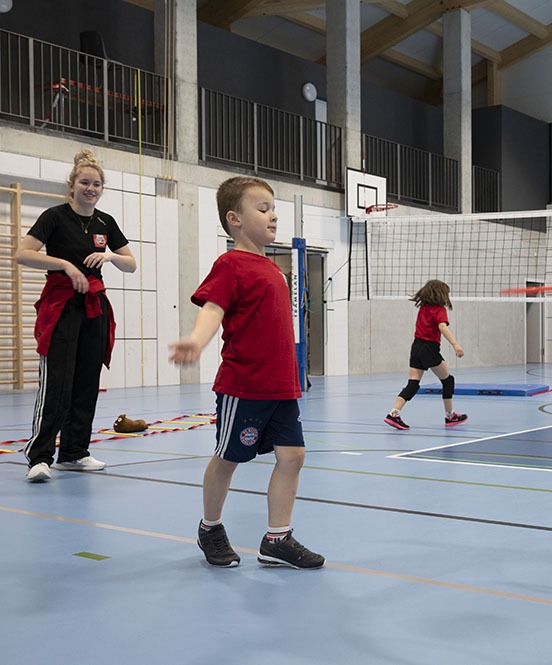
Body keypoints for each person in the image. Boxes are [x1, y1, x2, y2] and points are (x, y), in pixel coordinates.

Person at [169, 176, 324, 570]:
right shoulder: (230, 264)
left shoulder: (273, 268)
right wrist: (197, 340)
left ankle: (277, 538)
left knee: (293, 456)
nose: (273, 216)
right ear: (234, 219)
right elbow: (213, 309)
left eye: (274, 209)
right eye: (263, 209)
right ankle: (210, 526)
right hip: (246, 386)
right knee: (228, 458)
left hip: (282, 387)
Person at [15, 149, 136, 483]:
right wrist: (65, 265)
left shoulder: (105, 223)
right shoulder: (54, 217)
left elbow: (131, 263)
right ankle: (39, 457)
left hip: (94, 309)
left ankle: (74, 452)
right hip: (62, 307)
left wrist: (110, 256)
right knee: (57, 383)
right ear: (72, 185)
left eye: (96, 184)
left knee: (86, 382)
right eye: (84, 182)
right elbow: (22, 254)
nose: (91, 188)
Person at [384, 279, 467, 430]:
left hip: (416, 347)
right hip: (429, 348)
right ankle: (450, 416)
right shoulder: (439, 309)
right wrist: (455, 344)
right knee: (448, 381)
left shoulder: (423, 308)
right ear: (441, 294)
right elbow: (442, 326)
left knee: (413, 383)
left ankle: (394, 413)